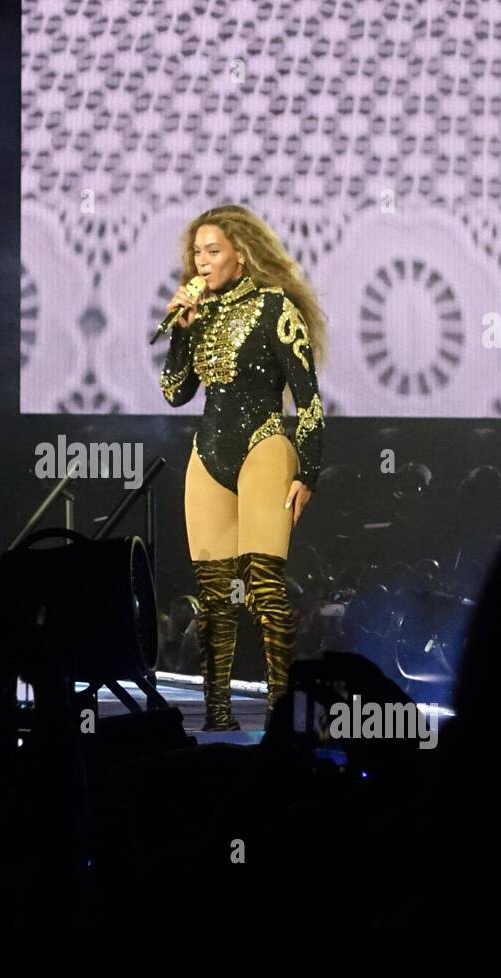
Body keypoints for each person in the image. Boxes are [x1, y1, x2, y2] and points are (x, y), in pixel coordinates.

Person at [158, 205, 327, 730]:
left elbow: (310, 400)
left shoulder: (275, 307)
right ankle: (217, 716)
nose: (201, 263)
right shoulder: (201, 313)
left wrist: (309, 473)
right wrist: (181, 329)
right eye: (196, 253)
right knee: (213, 596)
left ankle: (280, 718)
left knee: (263, 587)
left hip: (264, 446)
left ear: (241, 253)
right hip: (209, 451)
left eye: (212, 252)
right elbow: (174, 392)